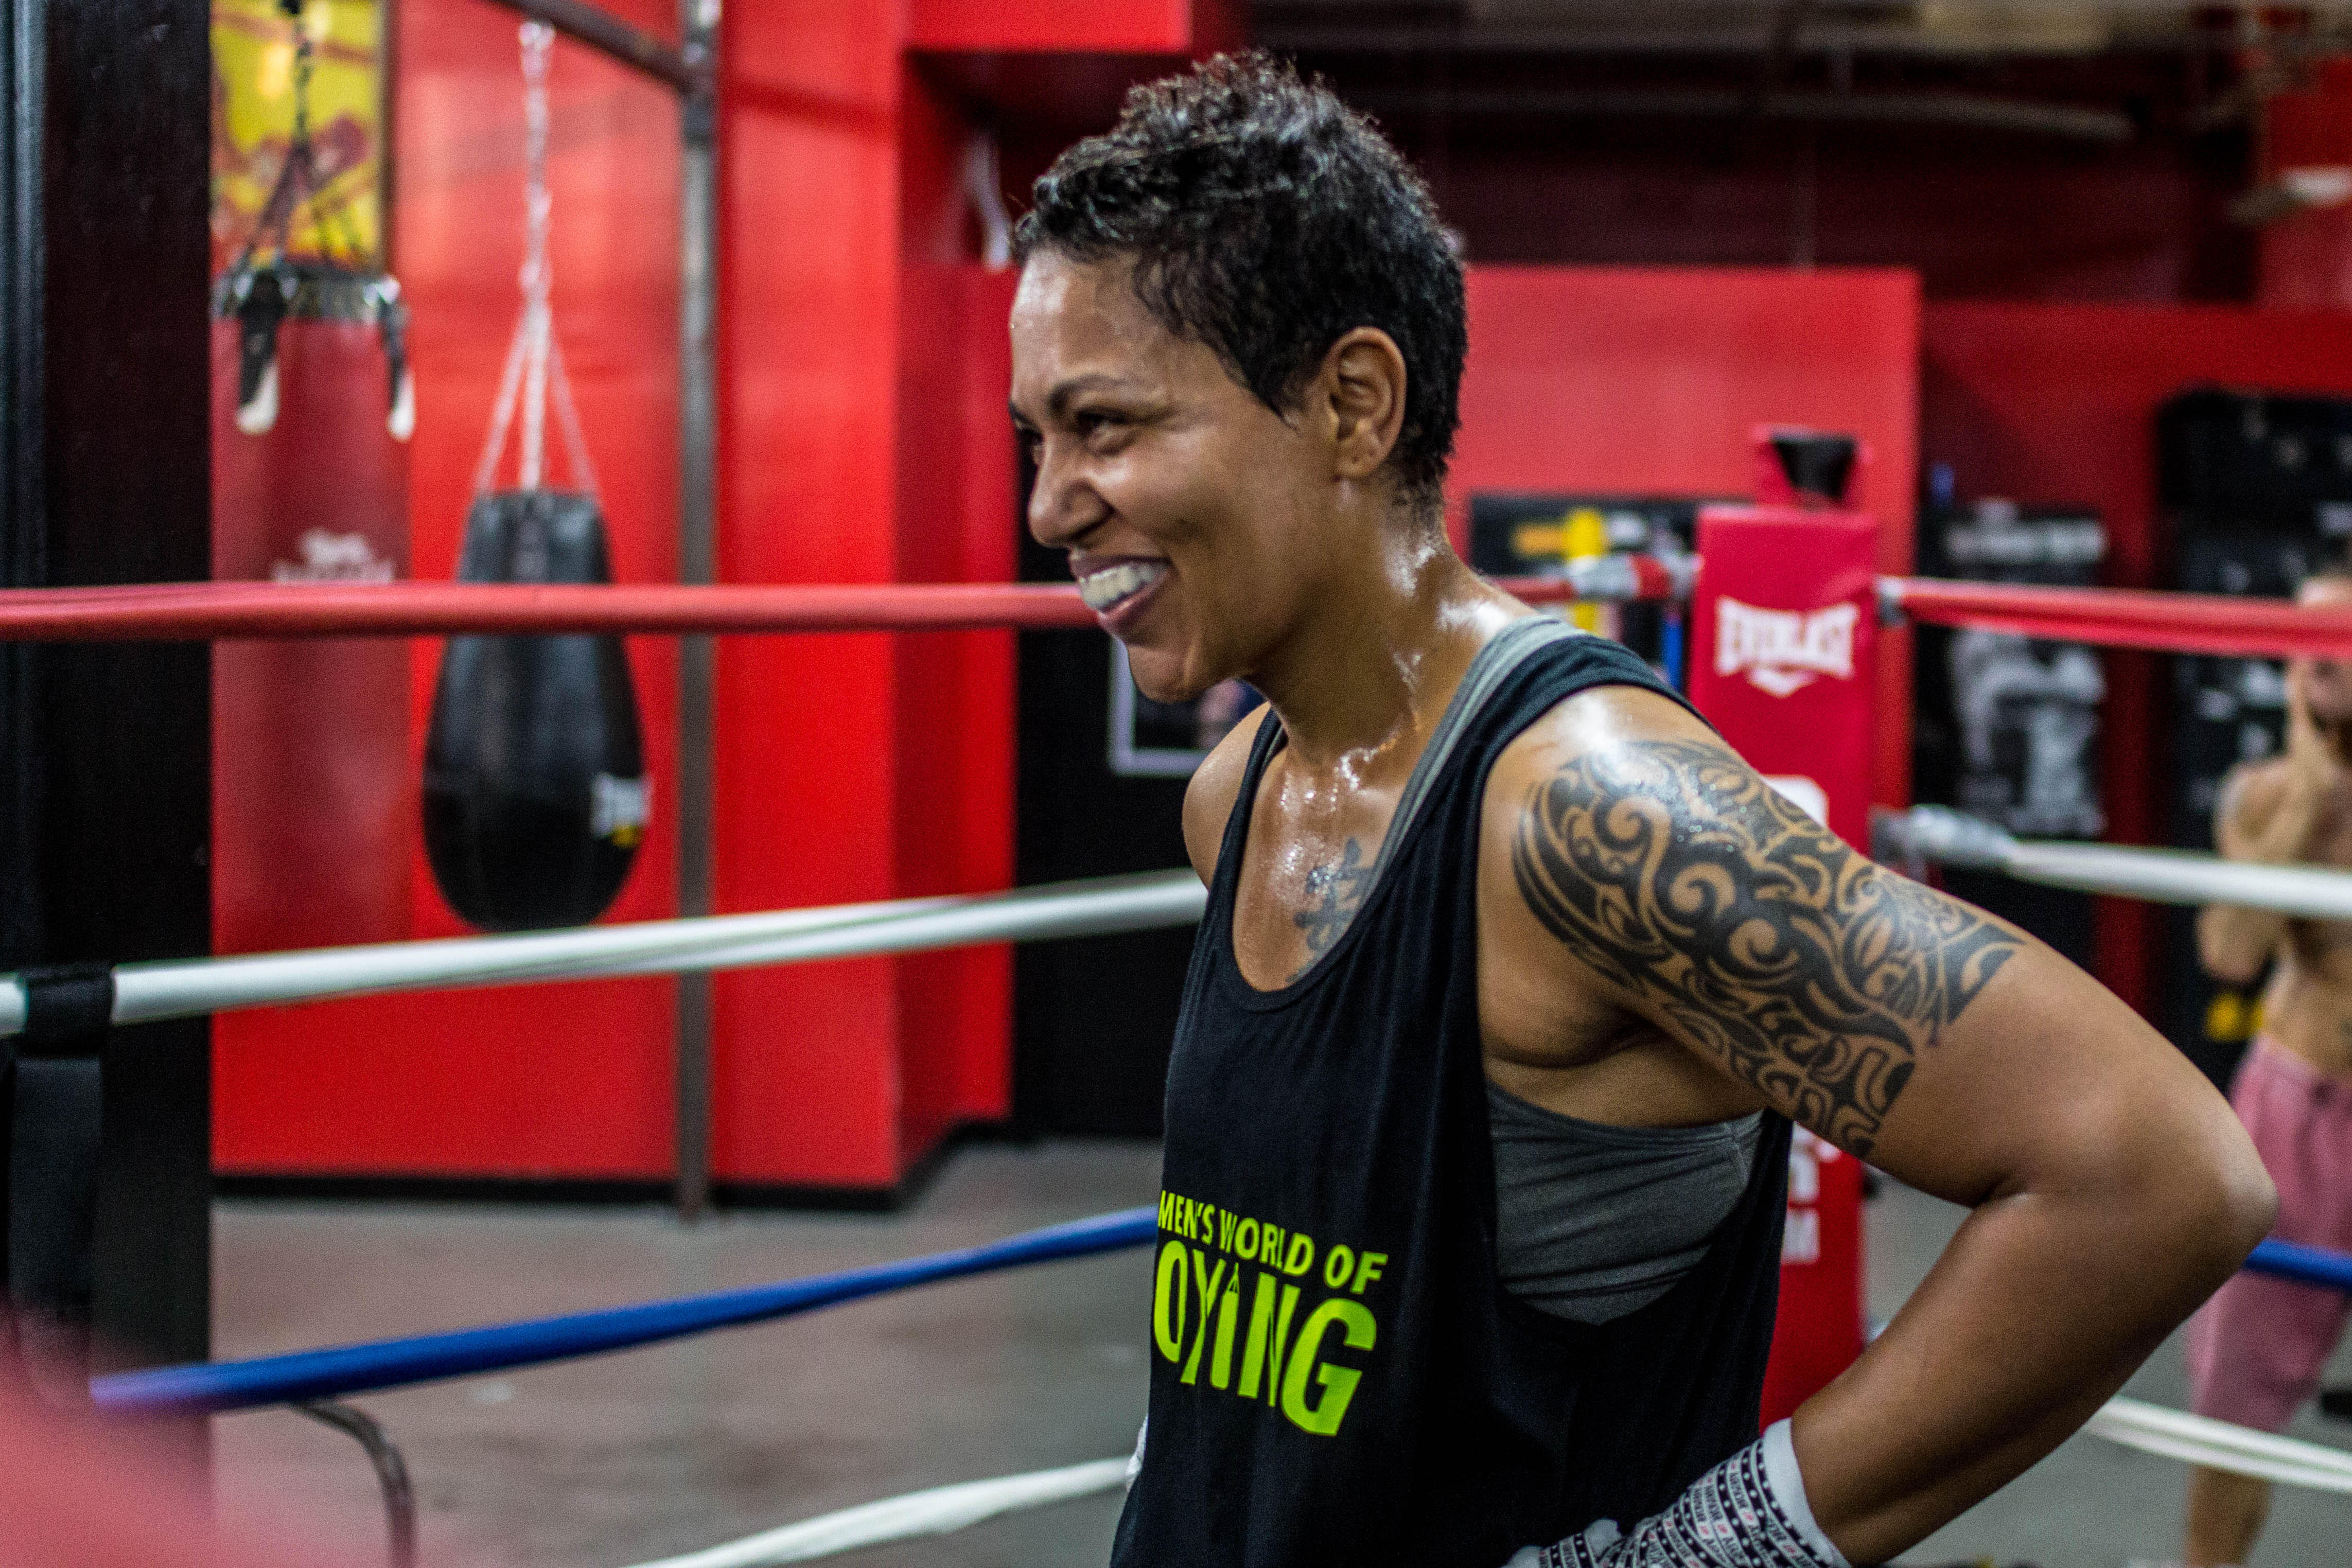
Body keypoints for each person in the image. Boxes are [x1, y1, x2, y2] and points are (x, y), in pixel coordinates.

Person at [1008, 52, 2275, 1568]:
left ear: (1351, 404)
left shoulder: (1589, 818)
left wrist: (1697, 1556)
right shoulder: (1242, 796)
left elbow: (2154, 1172)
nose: (1051, 503)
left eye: (1107, 428)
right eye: (1040, 436)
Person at [2187, 566, 2352, 1568]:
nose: (2315, 657)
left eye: (2336, 639)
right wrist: (2311, 799)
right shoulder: (2260, 795)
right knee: (2235, 1397)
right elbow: (2228, 948)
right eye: (2300, 640)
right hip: (2303, 1106)